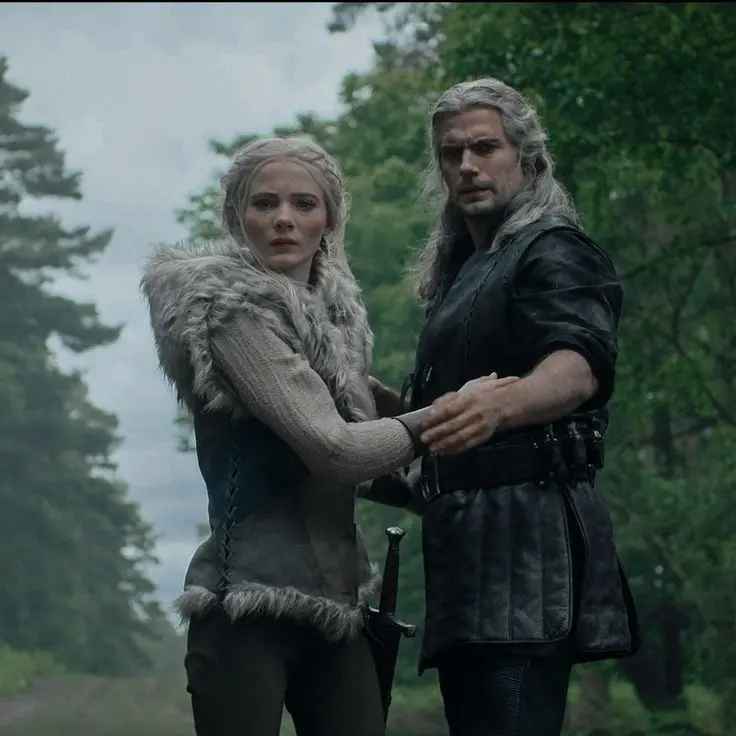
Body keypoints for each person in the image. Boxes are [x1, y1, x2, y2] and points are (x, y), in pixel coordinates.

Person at [140, 136, 449, 736]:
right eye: (265, 203)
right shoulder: (229, 312)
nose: (284, 218)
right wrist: (442, 417)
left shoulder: (336, 325)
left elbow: (365, 468)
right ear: (237, 217)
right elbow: (334, 452)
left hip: (338, 612)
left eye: (304, 204)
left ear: (330, 219)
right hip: (244, 609)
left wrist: (451, 479)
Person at [370, 77, 640, 735]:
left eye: (485, 147)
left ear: (527, 156)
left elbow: (577, 367)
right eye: (452, 152)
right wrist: (374, 408)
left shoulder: (554, 247)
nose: (467, 165)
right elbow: (450, 422)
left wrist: (503, 405)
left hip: (527, 553)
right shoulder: (466, 272)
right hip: (463, 553)